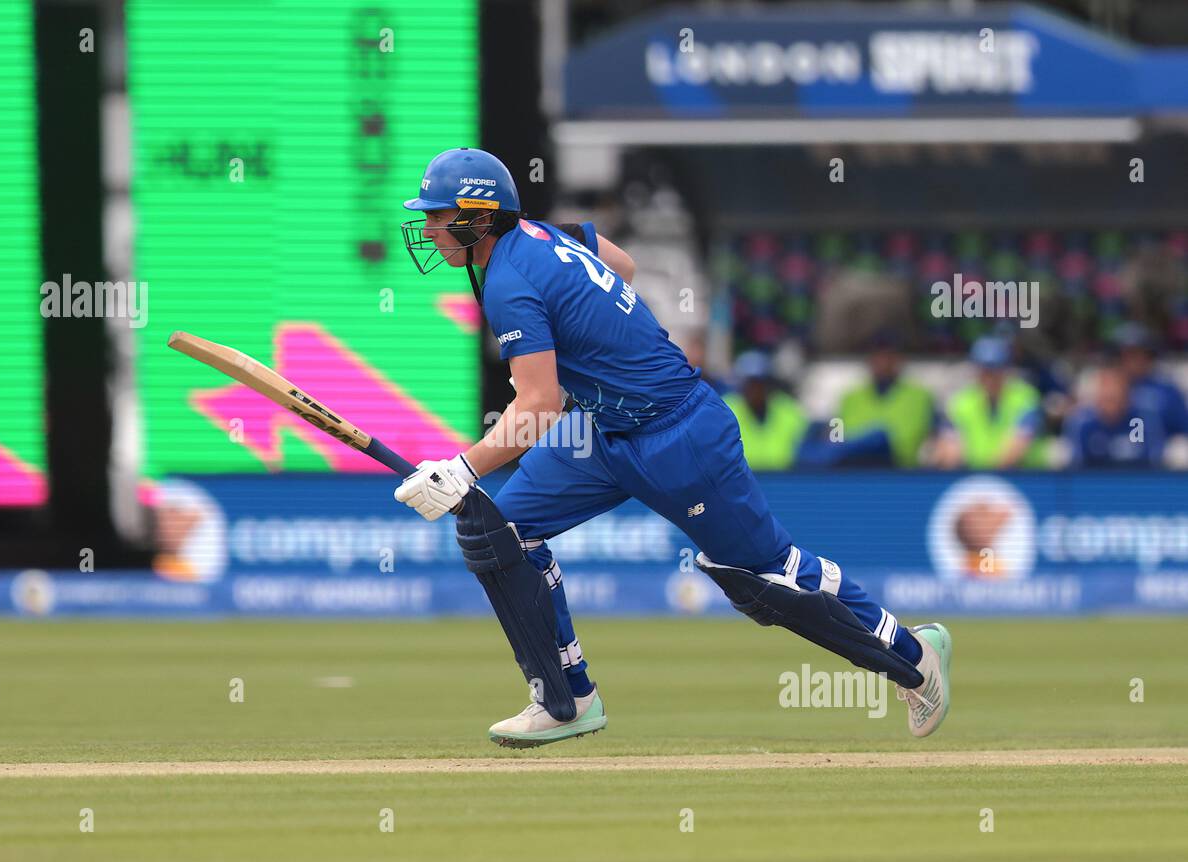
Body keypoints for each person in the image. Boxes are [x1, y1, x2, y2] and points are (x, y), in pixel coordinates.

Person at [393, 147, 952, 747]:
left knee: (765, 580)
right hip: (604, 431)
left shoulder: (508, 279)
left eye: (436, 214)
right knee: (497, 530)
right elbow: (622, 266)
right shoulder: (543, 236)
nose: (426, 228)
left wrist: (461, 468)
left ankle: (913, 656)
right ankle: (565, 698)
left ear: (478, 216)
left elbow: (538, 407)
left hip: (679, 434)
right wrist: (591, 355)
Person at [934, 336, 1045, 469]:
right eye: (985, 371)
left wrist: (988, 479)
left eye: (996, 370)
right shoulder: (961, 401)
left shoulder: (1025, 397)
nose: (990, 378)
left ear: (1006, 370)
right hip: (972, 479)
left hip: (1020, 477)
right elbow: (950, 447)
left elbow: (1018, 447)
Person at [837, 331, 935, 468]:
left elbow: (930, 438)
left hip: (901, 474)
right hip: (854, 472)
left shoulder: (920, 397)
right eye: (877, 355)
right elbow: (835, 437)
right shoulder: (849, 399)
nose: (883, 362)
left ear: (899, 359)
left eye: (889, 356)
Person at [1064, 363, 1165, 467]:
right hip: (1097, 481)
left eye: (1114, 399)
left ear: (1126, 397)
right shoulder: (1083, 425)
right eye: (1106, 399)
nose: (1110, 406)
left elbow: (1154, 462)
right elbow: (1077, 467)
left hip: (1137, 480)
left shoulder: (1143, 421)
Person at [722, 351, 807, 470]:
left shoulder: (788, 410)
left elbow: (803, 450)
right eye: (750, 383)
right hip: (739, 483)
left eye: (760, 382)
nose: (755, 389)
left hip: (784, 482)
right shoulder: (725, 410)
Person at [1112, 323, 1188, 440]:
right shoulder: (1109, 388)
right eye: (1125, 355)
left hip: (1160, 453)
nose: (1130, 360)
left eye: (1136, 354)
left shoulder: (1166, 390)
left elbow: (1183, 428)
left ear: (1148, 356)